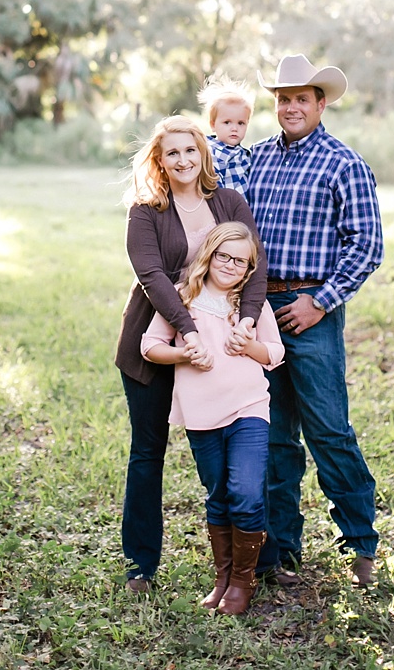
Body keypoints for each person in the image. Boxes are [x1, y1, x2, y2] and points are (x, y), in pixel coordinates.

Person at [243, 53, 384, 589]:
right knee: (274, 435)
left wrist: (320, 302)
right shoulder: (256, 160)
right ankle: (280, 549)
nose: (291, 107)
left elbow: (367, 245)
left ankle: (361, 543)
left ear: (321, 104)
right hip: (259, 309)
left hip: (311, 309)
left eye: (302, 98)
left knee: (327, 429)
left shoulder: (343, 163)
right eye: (283, 99)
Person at [116, 115, 268, 593]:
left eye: (190, 150)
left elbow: (255, 266)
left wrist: (246, 318)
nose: (182, 160)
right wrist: (185, 333)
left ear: (203, 153)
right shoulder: (146, 211)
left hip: (221, 346)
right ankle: (141, 565)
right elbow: (152, 275)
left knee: (241, 450)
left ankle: (254, 563)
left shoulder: (229, 202)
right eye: (172, 153)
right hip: (157, 337)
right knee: (147, 451)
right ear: (159, 162)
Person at [140, 220, 285, 616]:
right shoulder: (182, 299)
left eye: (241, 262)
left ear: (250, 269)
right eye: (225, 256)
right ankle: (222, 577)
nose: (231, 266)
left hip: (248, 408)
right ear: (210, 254)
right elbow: (149, 346)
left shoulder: (250, 308)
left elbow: (275, 353)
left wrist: (251, 345)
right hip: (201, 414)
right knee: (219, 494)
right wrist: (183, 353)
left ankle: (243, 581)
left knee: (246, 492)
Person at [199, 73, 256, 195]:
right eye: (227, 122)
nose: (234, 128)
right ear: (213, 125)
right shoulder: (210, 152)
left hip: (243, 210)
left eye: (241, 123)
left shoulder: (245, 154)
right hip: (222, 208)